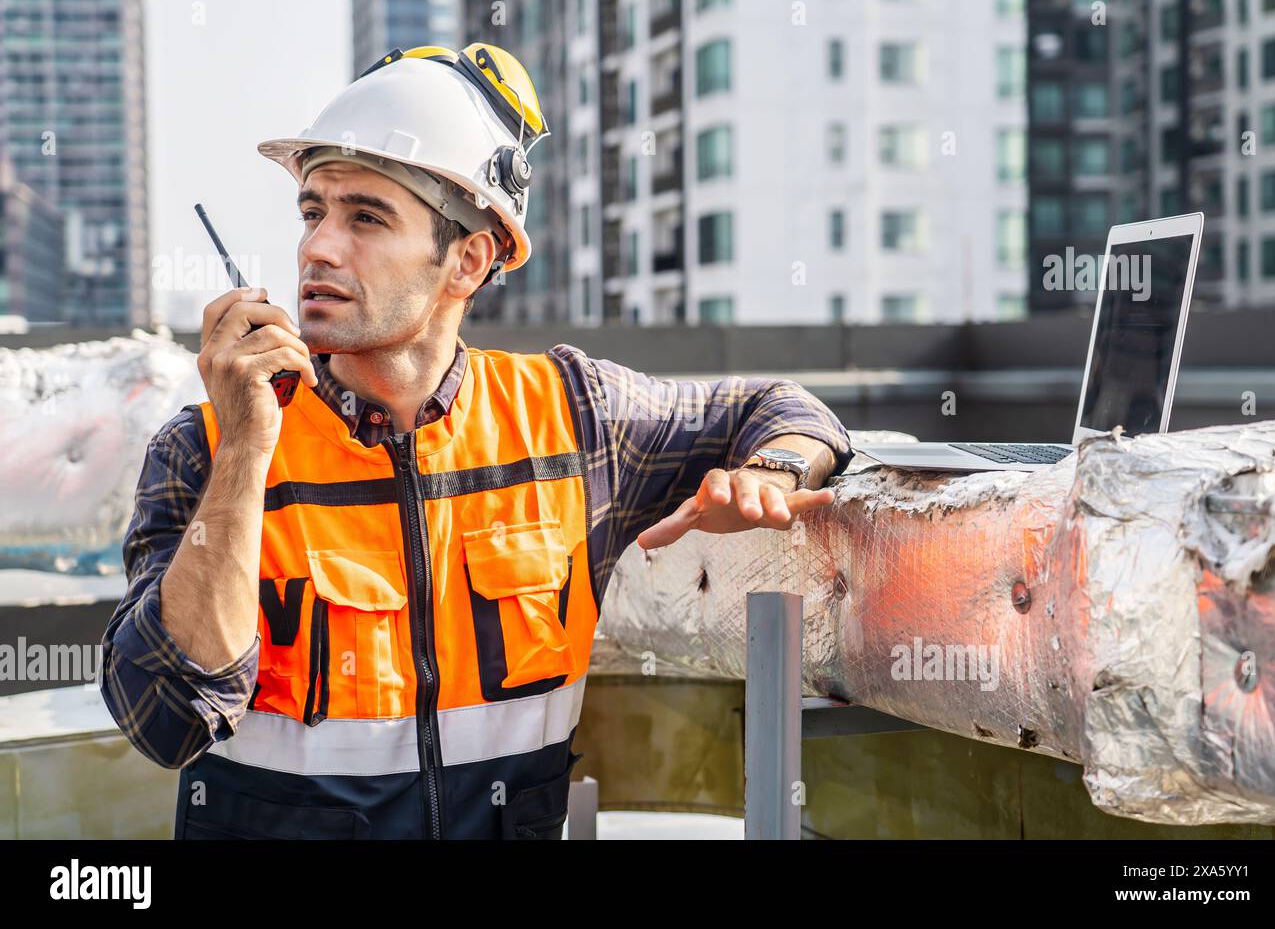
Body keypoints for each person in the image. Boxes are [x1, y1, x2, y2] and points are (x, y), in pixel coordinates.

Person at [100, 43, 854, 839]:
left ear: (468, 258)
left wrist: (772, 470)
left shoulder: (575, 418)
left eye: (365, 217)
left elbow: (780, 404)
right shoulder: (206, 448)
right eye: (314, 211)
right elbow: (165, 721)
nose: (317, 247)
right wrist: (249, 451)